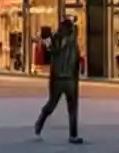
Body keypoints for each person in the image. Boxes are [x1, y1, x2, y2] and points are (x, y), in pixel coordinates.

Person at [32, 17, 83, 145]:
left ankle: (72, 134)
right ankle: (42, 121)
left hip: (65, 79)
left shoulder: (65, 41)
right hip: (63, 79)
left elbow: (74, 60)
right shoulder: (61, 41)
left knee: (67, 107)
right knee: (56, 105)